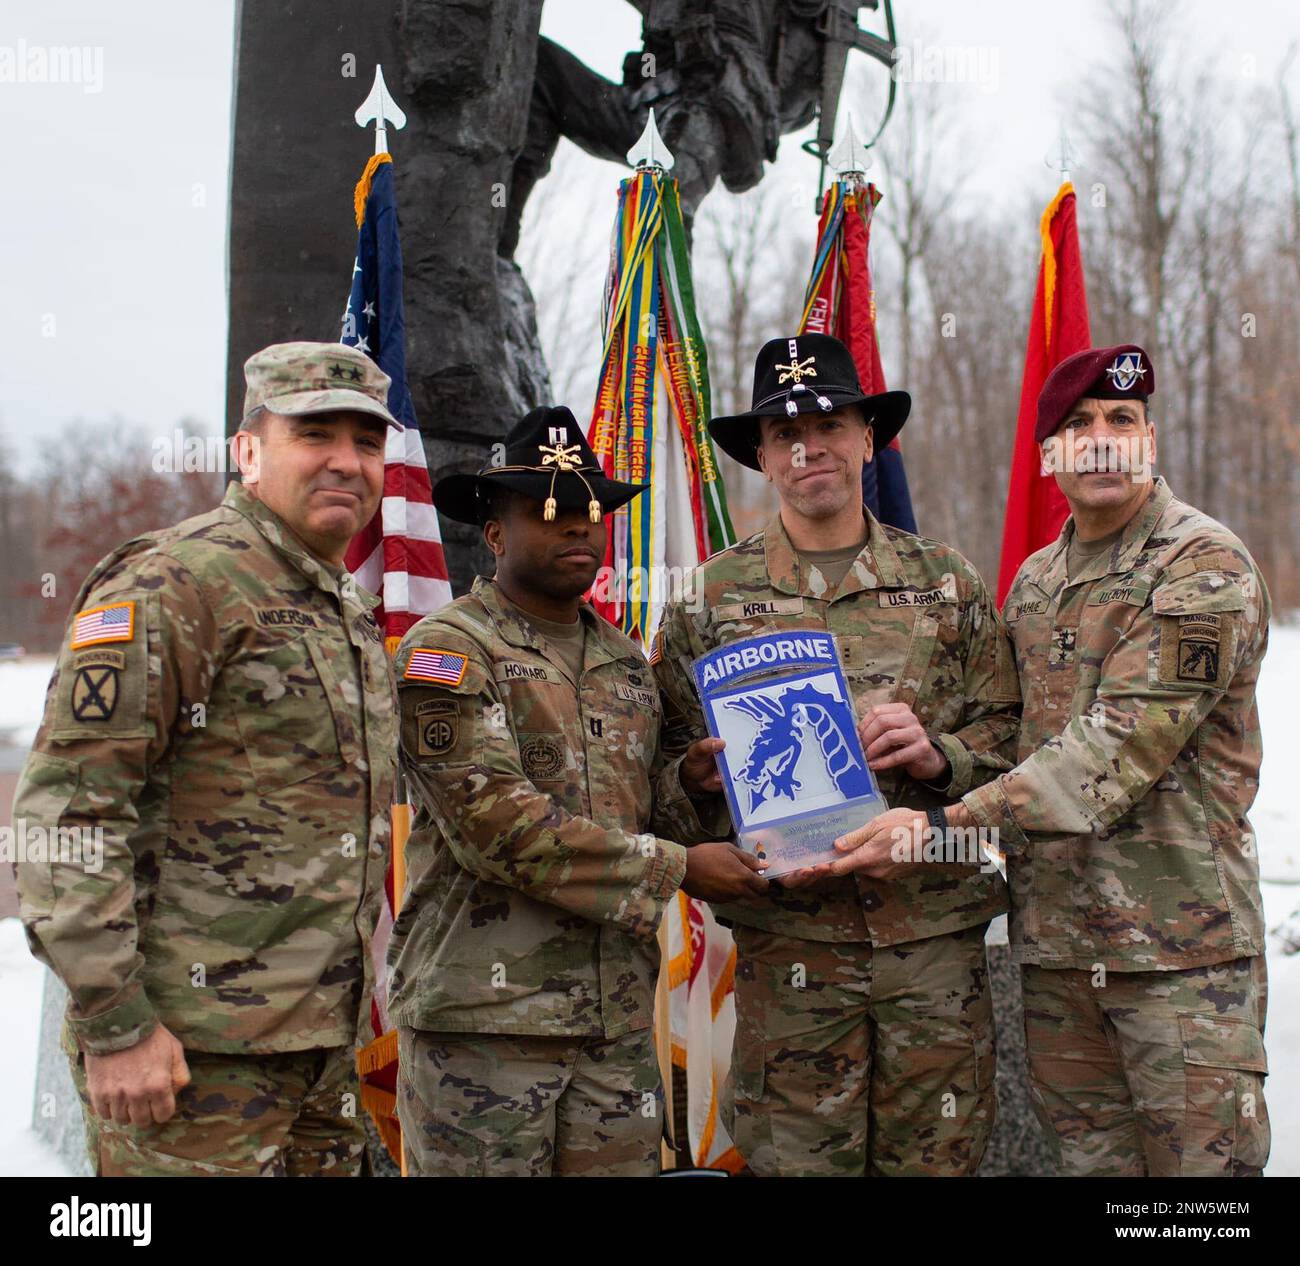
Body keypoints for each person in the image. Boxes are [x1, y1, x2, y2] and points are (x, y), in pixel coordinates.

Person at [837, 345, 1271, 1176]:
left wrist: (942, 827)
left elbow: (1114, 750)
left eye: (1121, 421)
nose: (1100, 440)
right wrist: (940, 762)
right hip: (1059, 958)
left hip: (1180, 963)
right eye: (1076, 426)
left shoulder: (1201, 565)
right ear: (1048, 457)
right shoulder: (1034, 585)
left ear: (1152, 440)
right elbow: (1014, 744)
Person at [14, 341, 400, 1176]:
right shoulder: (174, 584)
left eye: (367, 443)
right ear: (249, 449)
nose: (346, 461)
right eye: (315, 434)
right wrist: (117, 1027)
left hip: (319, 1052)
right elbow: (65, 819)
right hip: (189, 1063)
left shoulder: (343, 608)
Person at [651, 334, 1022, 1176]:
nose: (807, 447)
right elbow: (655, 773)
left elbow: (1015, 752)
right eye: (784, 434)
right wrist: (693, 777)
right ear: (761, 456)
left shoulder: (949, 585)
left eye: (827, 424)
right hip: (793, 959)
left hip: (932, 949)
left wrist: (939, 761)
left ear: (867, 437)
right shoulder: (707, 600)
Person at [389, 405, 765, 1176]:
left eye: (592, 511)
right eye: (550, 510)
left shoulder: (627, 662)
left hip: (616, 1028)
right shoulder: (449, 648)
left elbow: (636, 816)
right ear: (494, 532)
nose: (579, 529)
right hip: (487, 1029)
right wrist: (679, 866)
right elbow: (496, 825)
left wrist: (684, 789)